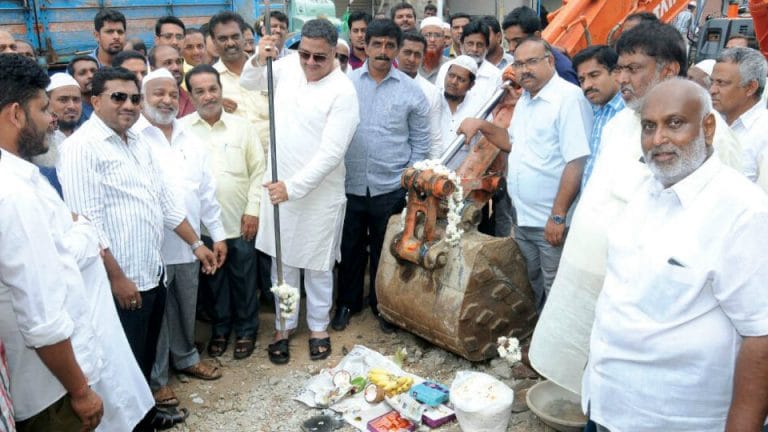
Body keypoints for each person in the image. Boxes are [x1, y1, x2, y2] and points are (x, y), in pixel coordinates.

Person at [527, 22, 744, 396]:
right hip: (593, 286)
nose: (621, 78)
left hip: (651, 304)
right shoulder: (621, 124)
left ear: (669, 70)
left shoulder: (706, 137)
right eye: (619, 68)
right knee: (590, 377)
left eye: (633, 68)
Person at [583, 77, 768, 432]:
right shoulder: (644, 190)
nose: (658, 139)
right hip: (607, 404)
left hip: (672, 418)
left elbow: (761, 335)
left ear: (707, 127)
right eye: (649, 126)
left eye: (675, 123)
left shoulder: (742, 212)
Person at [59, 66, 217, 400]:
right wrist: (117, 277)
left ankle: (146, 410)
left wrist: (195, 243)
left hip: (150, 272)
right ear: (95, 100)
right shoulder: (82, 148)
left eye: (133, 98)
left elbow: (164, 201)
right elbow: (87, 224)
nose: (128, 105)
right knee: (123, 360)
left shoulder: (136, 142)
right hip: (119, 279)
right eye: (118, 97)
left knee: (144, 355)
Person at [242, 18, 360, 364]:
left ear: (335, 54)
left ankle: (319, 327)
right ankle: (283, 325)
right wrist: (258, 56)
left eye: (319, 58)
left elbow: (331, 153)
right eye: (305, 54)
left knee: (319, 264)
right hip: (279, 186)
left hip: (317, 193)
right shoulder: (287, 68)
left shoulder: (343, 91)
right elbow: (250, 81)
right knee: (283, 263)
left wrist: (292, 188)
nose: (309, 63)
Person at [0, 53, 105, 432]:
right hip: (49, 392)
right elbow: (41, 319)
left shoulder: (22, 178)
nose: (52, 119)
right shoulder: (13, 194)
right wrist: (79, 390)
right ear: (15, 115)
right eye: (44, 108)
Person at [465, 37, 592, 312]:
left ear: (550, 61)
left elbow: (576, 161)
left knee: (557, 291)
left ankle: (553, 351)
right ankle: (534, 342)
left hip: (551, 223)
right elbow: (513, 143)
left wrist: (558, 216)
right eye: (519, 63)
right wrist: (482, 126)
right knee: (531, 283)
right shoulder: (526, 100)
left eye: (531, 62)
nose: (524, 70)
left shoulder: (568, 98)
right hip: (523, 219)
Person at [133, 68, 227, 408]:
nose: (166, 100)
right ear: (143, 99)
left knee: (186, 307)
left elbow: (206, 193)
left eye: (173, 93)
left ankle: (186, 357)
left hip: (191, 248)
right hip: (152, 248)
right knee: (156, 315)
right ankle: (158, 379)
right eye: (158, 93)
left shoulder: (191, 138)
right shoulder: (134, 137)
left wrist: (216, 235)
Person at [333, 19, 430, 333]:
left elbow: (421, 144)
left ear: (397, 49)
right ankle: (347, 303)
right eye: (377, 44)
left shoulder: (412, 91)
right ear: (365, 45)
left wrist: (409, 184)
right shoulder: (345, 83)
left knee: (385, 249)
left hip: (390, 187)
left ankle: (381, 305)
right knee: (349, 248)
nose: (383, 51)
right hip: (348, 184)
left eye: (390, 45)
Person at [181, 64, 266, 360]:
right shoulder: (181, 131)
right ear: (190, 95)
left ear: (221, 90)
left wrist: (253, 210)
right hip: (203, 228)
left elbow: (259, 171)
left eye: (213, 89)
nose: (208, 96)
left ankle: (246, 331)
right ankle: (220, 330)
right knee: (214, 282)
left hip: (240, 221)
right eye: (200, 91)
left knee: (244, 280)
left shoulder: (242, 127)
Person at [209, 12, 270, 147]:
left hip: (274, 158)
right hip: (235, 160)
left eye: (235, 36)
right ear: (213, 41)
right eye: (223, 38)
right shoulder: (210, 80)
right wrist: (214, 106)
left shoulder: (268, 70)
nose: (230, 43)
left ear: (244, 37)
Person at [711, 47, 768, 181]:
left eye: (721, 83)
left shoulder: (764, 131)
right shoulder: (708, 120)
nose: (712, 89)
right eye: (711, 81)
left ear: (750, 88)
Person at [572, 45, 624, 188]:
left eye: (594, 75)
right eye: (581, 80)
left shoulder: (630, 112)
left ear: (616, 73)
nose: (587, 85)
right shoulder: (592, 109)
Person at [434, 19, 503, 120]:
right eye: (470, 44)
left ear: (486, 47)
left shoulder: (496, 75)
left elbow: (496, 114)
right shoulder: (446, 68)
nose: (474, 49)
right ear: (461, 44)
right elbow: (437, 103)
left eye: (479, 45)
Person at [502, 6, 579, 86]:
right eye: (508, 41)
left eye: (517, 41)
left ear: (537, 36)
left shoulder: (562, 71)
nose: (511, 48)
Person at [397, 31, 443, 159]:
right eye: (407, 53)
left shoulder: (431, 91)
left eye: (417, 55)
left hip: (417, 165)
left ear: (423, 57)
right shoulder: (384, 85)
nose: (412, 59)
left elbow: (434, 138)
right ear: (396, 52)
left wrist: (433, 168)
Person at [437, 55, 478, 163]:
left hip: (461, 173)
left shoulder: (478, 108)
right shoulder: (432, 99)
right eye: (451, 75)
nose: (453, 82)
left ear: (471, 85)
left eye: (461, 79)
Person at [148, 44, 196, 117]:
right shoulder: (143, 103)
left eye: (178, 62)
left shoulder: (193, 100)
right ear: (153, 69)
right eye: (168, 63)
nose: (176, 67)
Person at [47, 72, 83, 138]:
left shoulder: (89, 135)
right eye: (63, 100)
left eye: (76, 100)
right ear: (47, 103)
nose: (72, 106)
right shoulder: (39, 139)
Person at [67, 55, 98, 122]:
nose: (90, 76)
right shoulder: (70, 110)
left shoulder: (109, 102)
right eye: (82, 73)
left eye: (94, 71)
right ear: (72, 79)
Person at [418, 16, 449, 83]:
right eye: (427, 35)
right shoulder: (411, 63)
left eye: (437, 35)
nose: (432, 39)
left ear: (444, 39)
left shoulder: (450, 66)